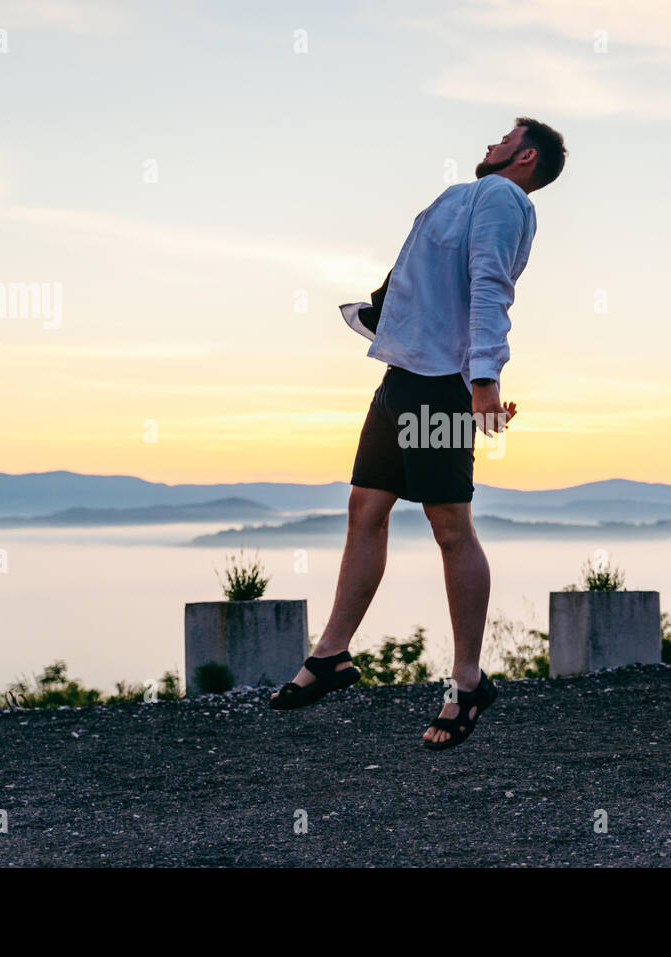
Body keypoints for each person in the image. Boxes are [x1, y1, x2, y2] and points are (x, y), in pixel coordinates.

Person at [271, 117, 567, 751]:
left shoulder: (502, 197)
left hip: (439, 384)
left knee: (449, 527)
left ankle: (466, 682)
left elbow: (492, 284)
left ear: (526, 155)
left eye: (504, 137)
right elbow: (423, 278)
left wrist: (483, 381)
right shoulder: (465, 195)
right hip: (404, 375)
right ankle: (332, 655)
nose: (490, 143)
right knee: (365, 507)